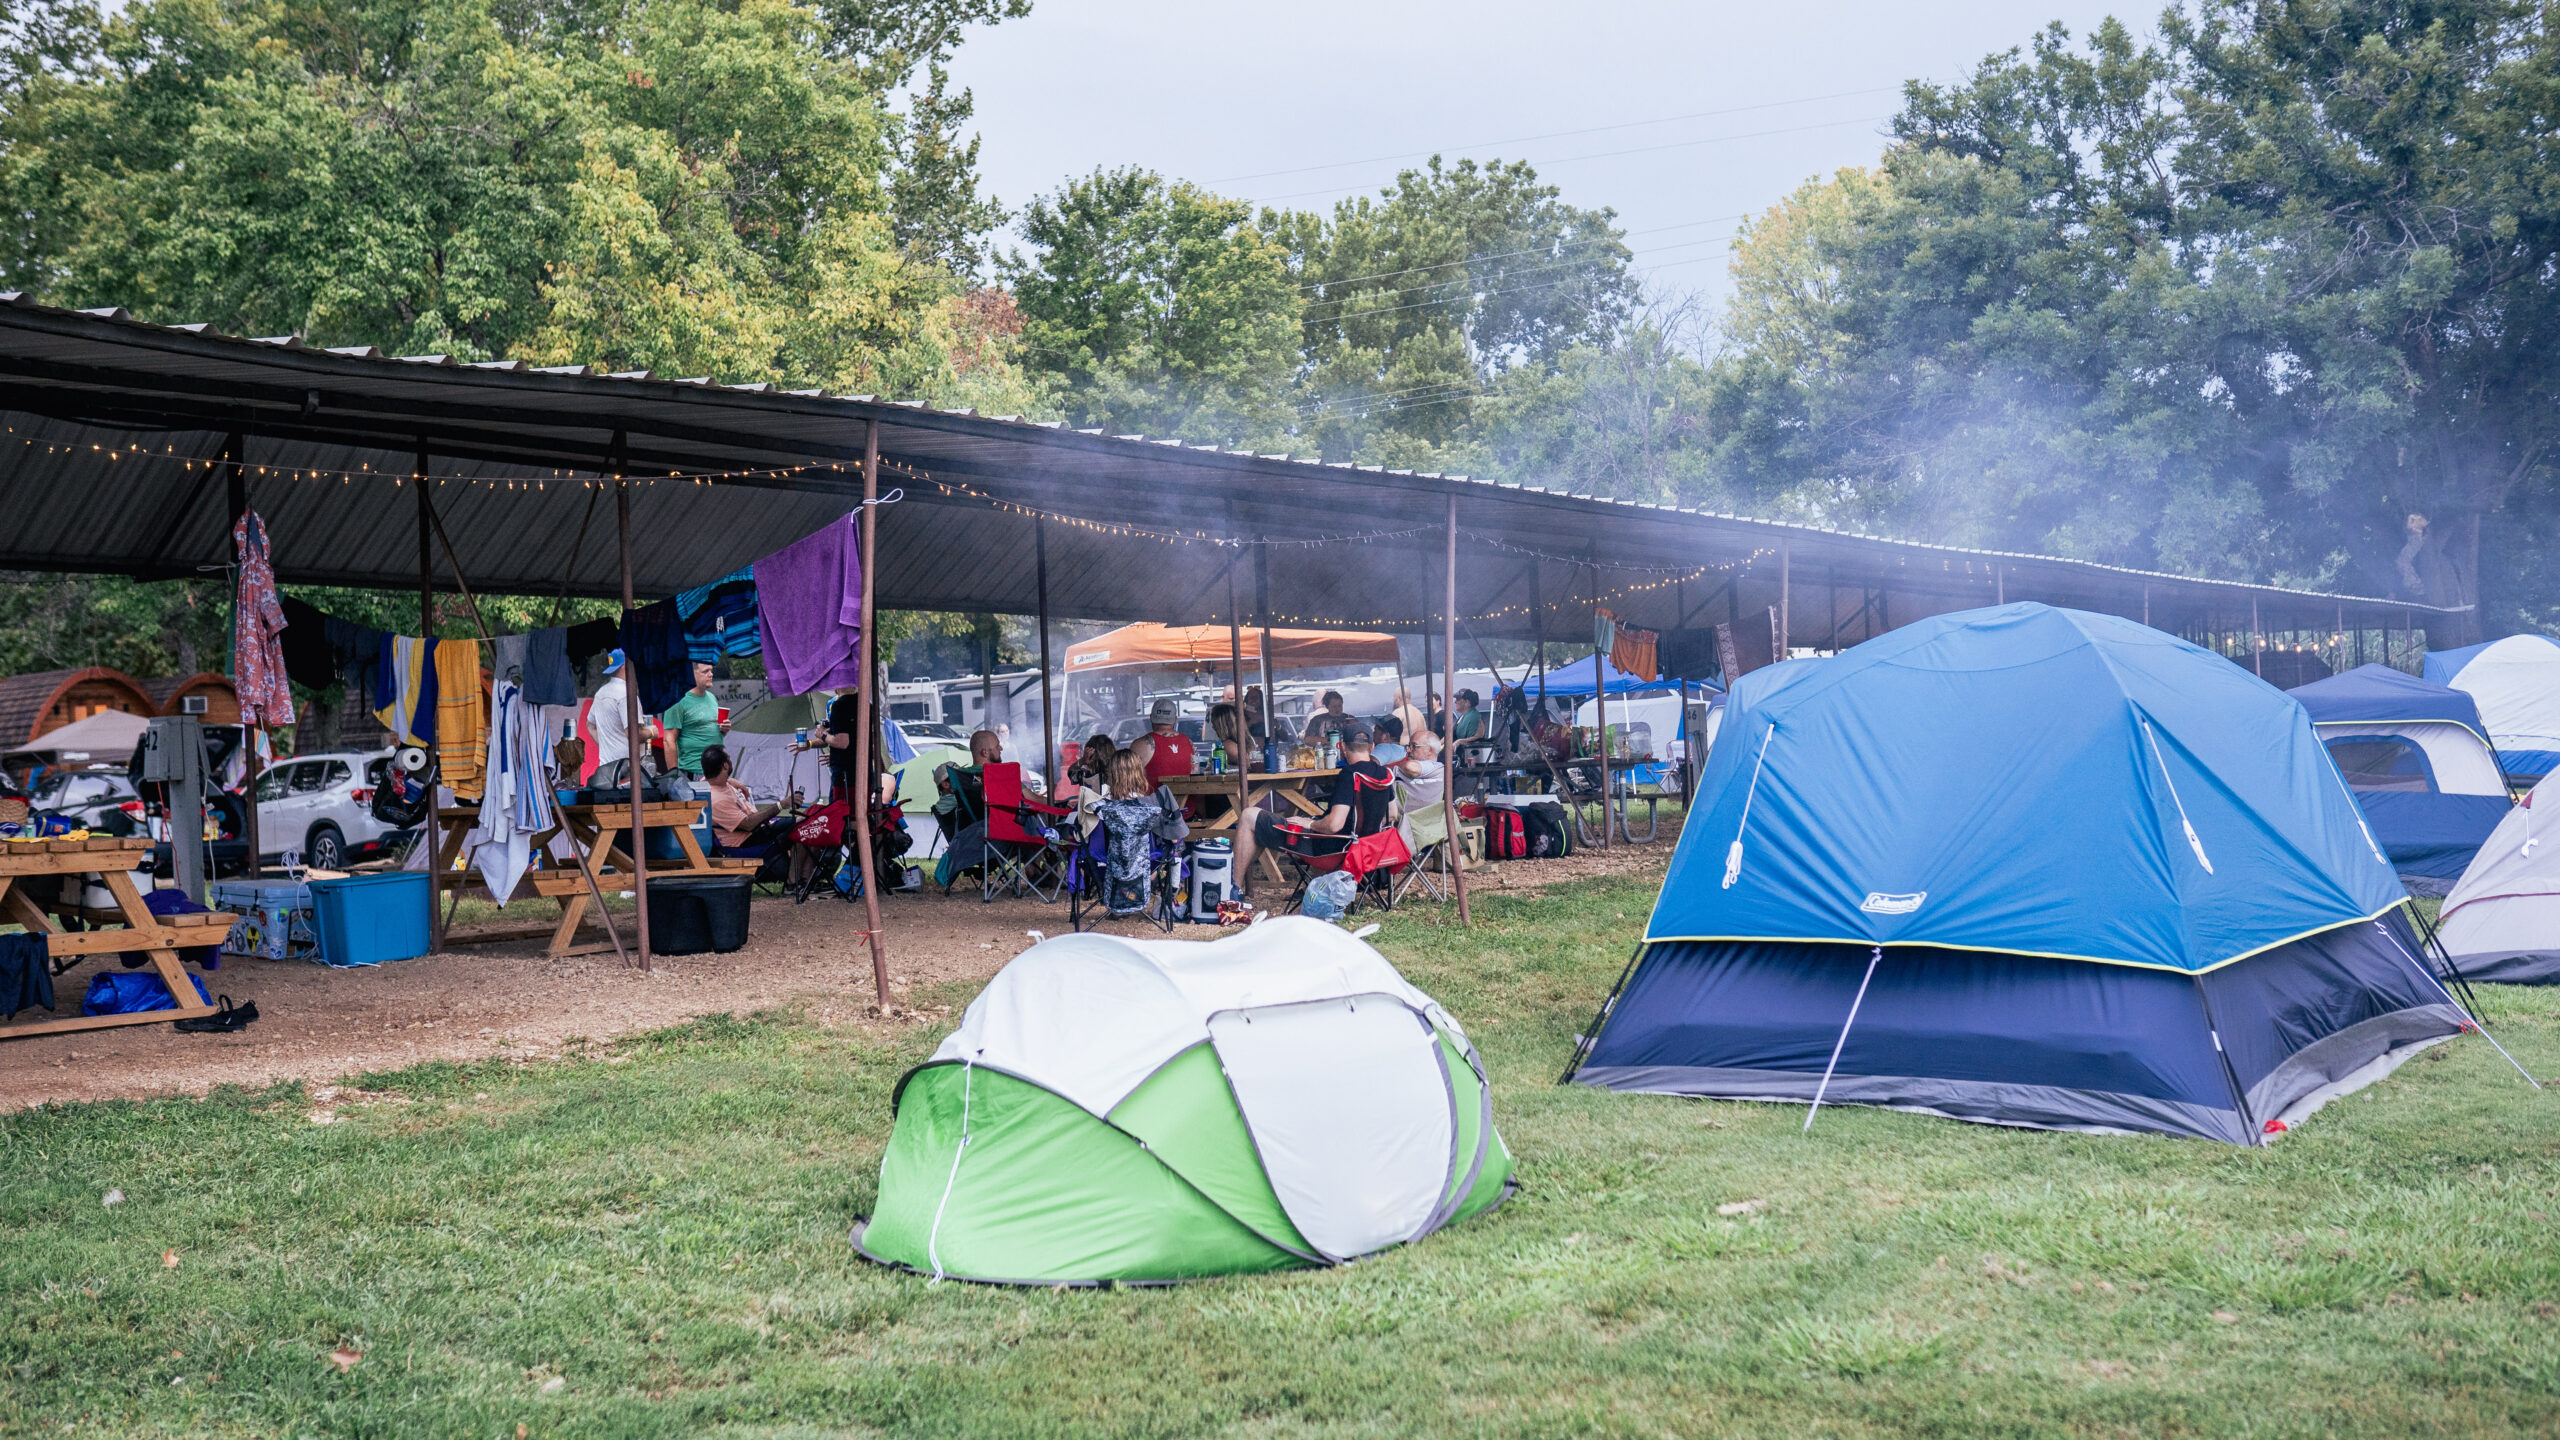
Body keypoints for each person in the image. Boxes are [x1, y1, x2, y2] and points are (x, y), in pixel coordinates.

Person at [1234, 728, 1397, 895]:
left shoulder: (1349, 775)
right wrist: (1363, 828)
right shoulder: (1385, 774)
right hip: (1365, 850)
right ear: (1372, 747)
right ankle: (1315, 888)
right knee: (1301, 819)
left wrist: (1310, 823)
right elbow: (1391, 814)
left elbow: (1334, 825)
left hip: (1331, 850)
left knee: (1249, 816)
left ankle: (1234, 890)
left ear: (1342, 748)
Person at [1092, 747, 1190, 917]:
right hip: (1149, 861)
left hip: (1108, 863)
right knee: (1172, 849)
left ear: (1112, 775)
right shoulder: (1153, 806)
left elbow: (1086, 839)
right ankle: (1159, 889)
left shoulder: (1100, 807)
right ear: (1139, 773)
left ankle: (1118, 900)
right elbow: (1175, 838)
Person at [701, 745, 784, 855]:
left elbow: (707, 780)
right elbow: (748, 824)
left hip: (755, 831)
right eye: (729, 758)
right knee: (795, 825)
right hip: (745, 841)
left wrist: (729, 780)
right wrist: (780, 805)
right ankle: (798, 871)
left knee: (799, 823)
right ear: (725, 766)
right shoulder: (717, 799)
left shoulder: (715, 783)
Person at [660, 662, 723, 778]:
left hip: (718, 770)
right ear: (691, 674)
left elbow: (707, 731)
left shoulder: (712, 697)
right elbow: (669, 741)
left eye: (711, 670)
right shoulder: (677, 700)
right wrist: (674, 777)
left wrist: (723, 730)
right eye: (706, 671)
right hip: (694, 771)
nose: (711, 674)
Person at [587, 649, 631, 780]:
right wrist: (652, 732)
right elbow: (633, 733)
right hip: (627, 771)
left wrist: (607, 744)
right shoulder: (626, 694)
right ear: (625, 666)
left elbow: (590, 725)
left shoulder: (601, 693)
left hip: (605, 772)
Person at [1139, 698, 1194, 786]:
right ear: (1175, 719)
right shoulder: (1188, 742)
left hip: (1156, 799)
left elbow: (1128, 779)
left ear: (1151, 717)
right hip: (1189, 799)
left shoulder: (1141, 744)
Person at [1208, 702, 1251, 772]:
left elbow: (1247, 764)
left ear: (1221, 724)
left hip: (1234, 781)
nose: (1213, 726)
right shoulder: (1246, 740)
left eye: (1213, 721)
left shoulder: (1228, 745)